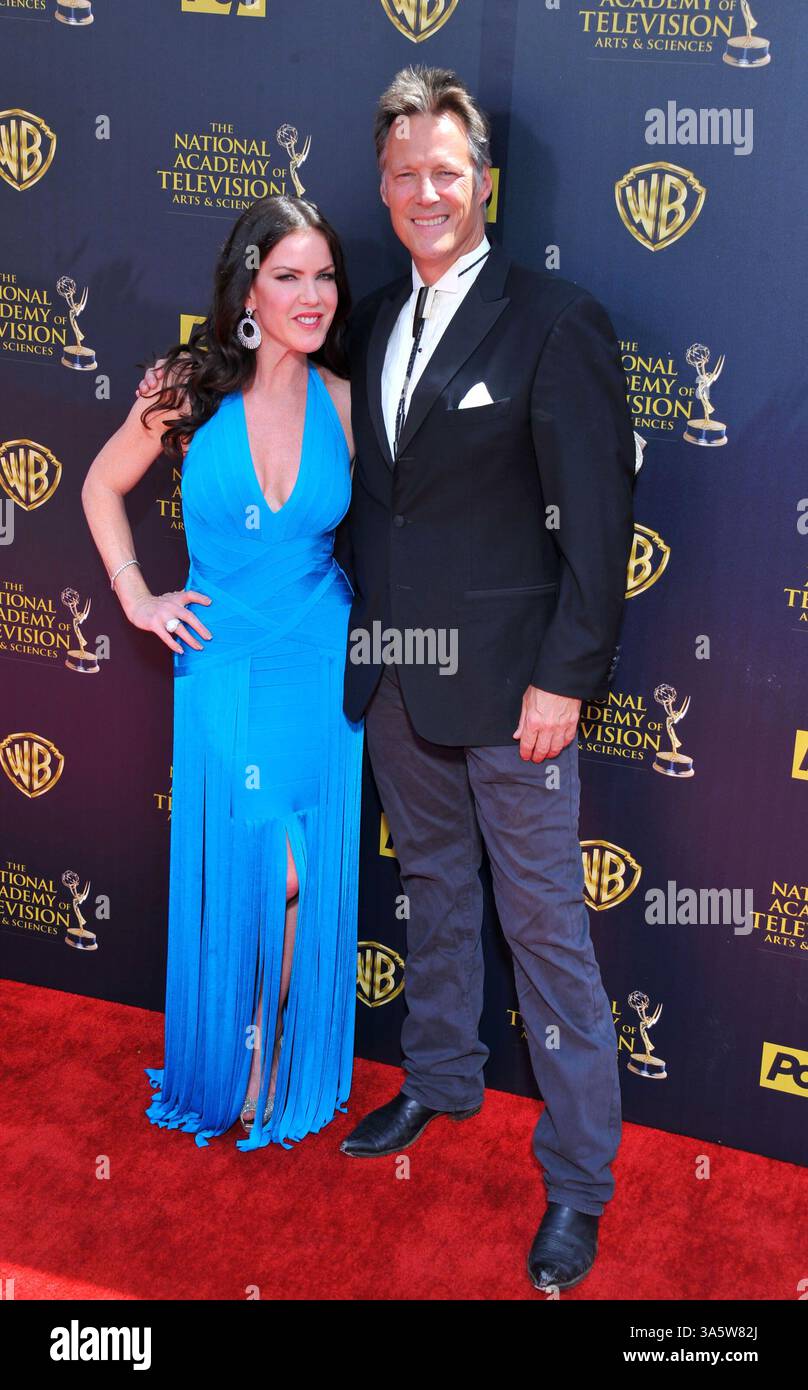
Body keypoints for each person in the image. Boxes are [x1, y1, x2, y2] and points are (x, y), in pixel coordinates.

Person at [335, 65, 636, 1293]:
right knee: (436, 900)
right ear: (384, 185)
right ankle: (442, 1082)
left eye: (444, 172)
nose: (424, 191)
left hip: (518, 694)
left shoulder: (554, 317)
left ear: (484, 184)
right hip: (399, 683)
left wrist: (565, 678)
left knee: (546, 936)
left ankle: (577, 1184)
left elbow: (602, 525)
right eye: (403, 173)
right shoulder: (371, 319)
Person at [83, 195, 362, 1152]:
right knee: (265, 864)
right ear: (248, 286)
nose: (311, 293)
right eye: (288, 274)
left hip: (319, 659)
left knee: (297, 876)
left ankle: (277, 1057)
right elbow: (100, 484)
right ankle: (240, 1053)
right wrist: (135, 596)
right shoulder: (189, 390)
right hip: (223, 657)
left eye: (324, 274)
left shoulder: (341, 400)